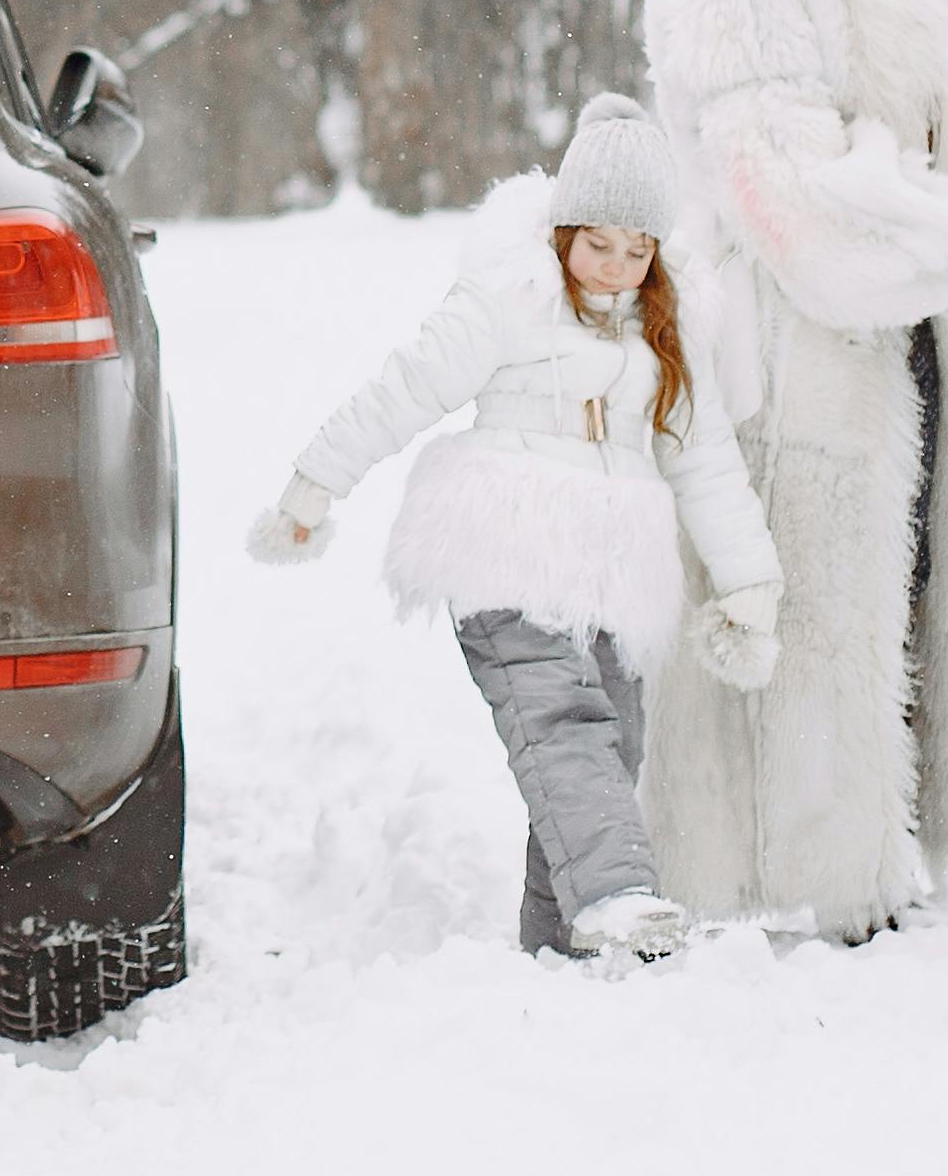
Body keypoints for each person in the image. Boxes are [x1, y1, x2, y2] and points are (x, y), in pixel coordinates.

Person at [245, 97, 782, 961]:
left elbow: (706, 464)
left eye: (637, 251)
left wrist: (750, 587)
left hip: (613, 576)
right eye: (597, 245)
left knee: (611, 748)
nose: (615, 268)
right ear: (564, 229)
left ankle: (560, 947)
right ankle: (616, 896)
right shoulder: (510, 296)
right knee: (564, 729)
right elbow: (405, 389)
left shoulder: (668, 334)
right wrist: (313, 488)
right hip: (504, 560)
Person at [631, 0, 948, 942]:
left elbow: (904, 138)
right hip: (791, 362)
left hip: (893, 343)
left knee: (887, 602)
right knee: (803, 621)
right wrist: (931, 229)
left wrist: (914, 200)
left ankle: (868, 856)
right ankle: (813, 883)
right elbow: (791, 207)